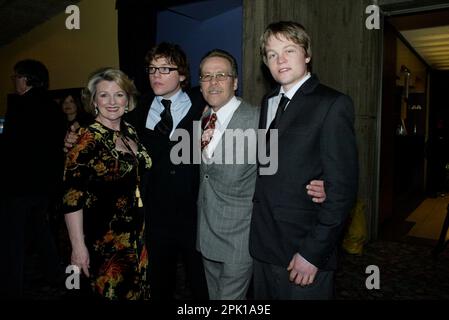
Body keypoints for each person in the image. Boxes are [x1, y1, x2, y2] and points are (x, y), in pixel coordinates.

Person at [196, 49, 327, 300]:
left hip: (240, 239)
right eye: (206, 76)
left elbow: (288, 163)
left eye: (221, 75)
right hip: (206, 236)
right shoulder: (203, 116)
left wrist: (326, 183)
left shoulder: (258, 119)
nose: (213, 82)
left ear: (235, 82)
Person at [249, 21, 358, 300]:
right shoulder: (269, 101)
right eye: (272, 54)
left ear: (307, 54)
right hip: (263, 245)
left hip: (303, 250)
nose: (280, 60)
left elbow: (343, 190)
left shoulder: (332, 104)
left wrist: (313, 253)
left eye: (289, 50)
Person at [124, 42, 209, 300]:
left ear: (182, 75)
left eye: (164, 69)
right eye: (152, 69)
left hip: (195, 214)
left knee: (201, 283)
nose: (156, 75)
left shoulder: (203, 104)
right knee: (159, 283)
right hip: (154, 215)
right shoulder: (136, 112)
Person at [61, 68, 152, 300]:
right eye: (104, 95)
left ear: (128, 99)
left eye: (119, 94)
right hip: (105, 243)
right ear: (93, 101)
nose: (112, 102)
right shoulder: (85, 140)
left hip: (136, 238)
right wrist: (78, 248)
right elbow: (72, 199)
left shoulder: (130, 131)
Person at [0, 59, 66, 298]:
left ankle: (11, 288)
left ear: (26, 79)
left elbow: (10, 148)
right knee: (41, 229)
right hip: (45, 185)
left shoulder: (19, 105)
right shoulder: (53, 107)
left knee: (12, 239)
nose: (14, 81)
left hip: (19, 184)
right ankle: (55, 274)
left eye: (16, 77)